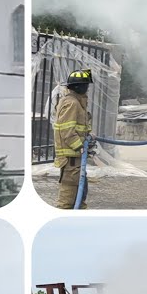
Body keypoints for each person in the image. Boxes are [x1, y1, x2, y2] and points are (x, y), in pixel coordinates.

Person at [52, 69, 94, 209]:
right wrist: (79, 146)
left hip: (75, 156)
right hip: (70, 156)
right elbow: (66, 130)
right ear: (79, 87)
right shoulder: (72, 103)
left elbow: (79, 125)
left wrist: (88, 136)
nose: (87, 89)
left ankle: (78, 212)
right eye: (86, 86)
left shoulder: (77, 102)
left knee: (80, 189)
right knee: (69, 193)